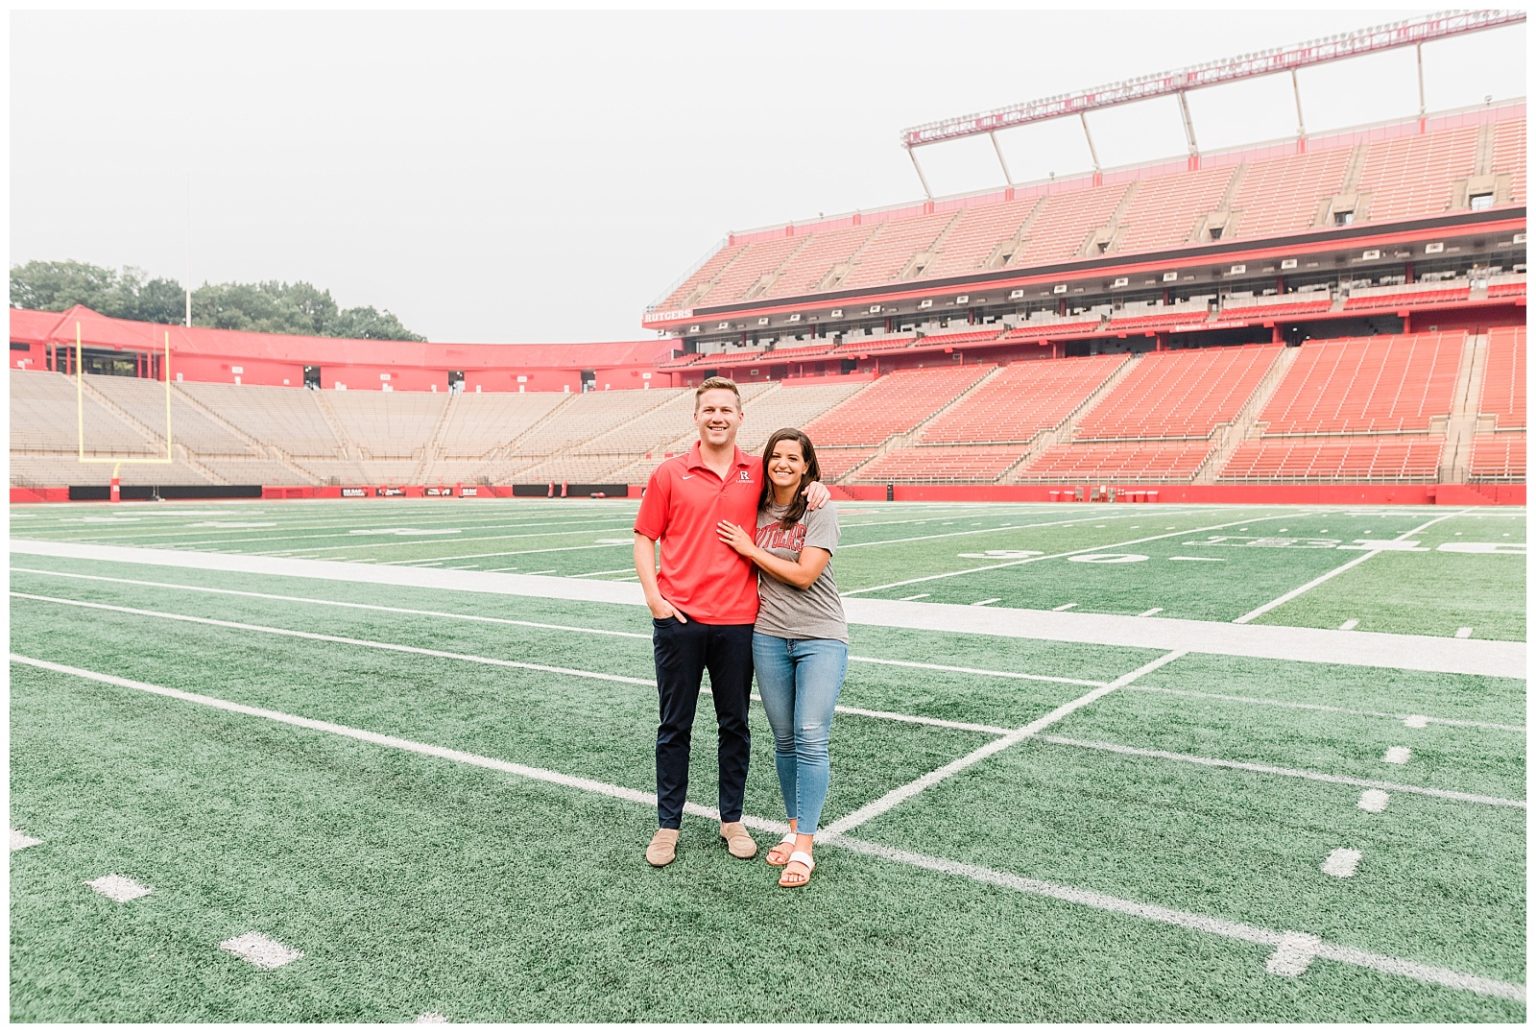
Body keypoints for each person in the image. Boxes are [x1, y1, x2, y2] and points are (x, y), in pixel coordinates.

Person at [633, 378, 829, 868]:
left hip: (741, 622)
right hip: (679, 618)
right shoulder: (669, 473)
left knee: (735, 725)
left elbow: (793, 483)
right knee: (674, 726)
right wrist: (655, 600)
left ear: (740, 418)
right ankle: (667, 826)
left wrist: (819, 486)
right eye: (709, 409)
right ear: (697, 417)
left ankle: (732, 819)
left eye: (727, 409)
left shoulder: (757, 472)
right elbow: (644, 538)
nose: (718, 416)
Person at [716, 427, 847, 889]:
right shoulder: (755, 508)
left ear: (808, 466)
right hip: (769, 635)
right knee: (786, 739)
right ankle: (793, 831)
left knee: (812, 736)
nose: (784, 464)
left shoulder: (819, 506)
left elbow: (806, 574)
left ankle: (806, 847)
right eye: (776, 456)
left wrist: (752, 550)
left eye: (794, 458)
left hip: (820, 636)